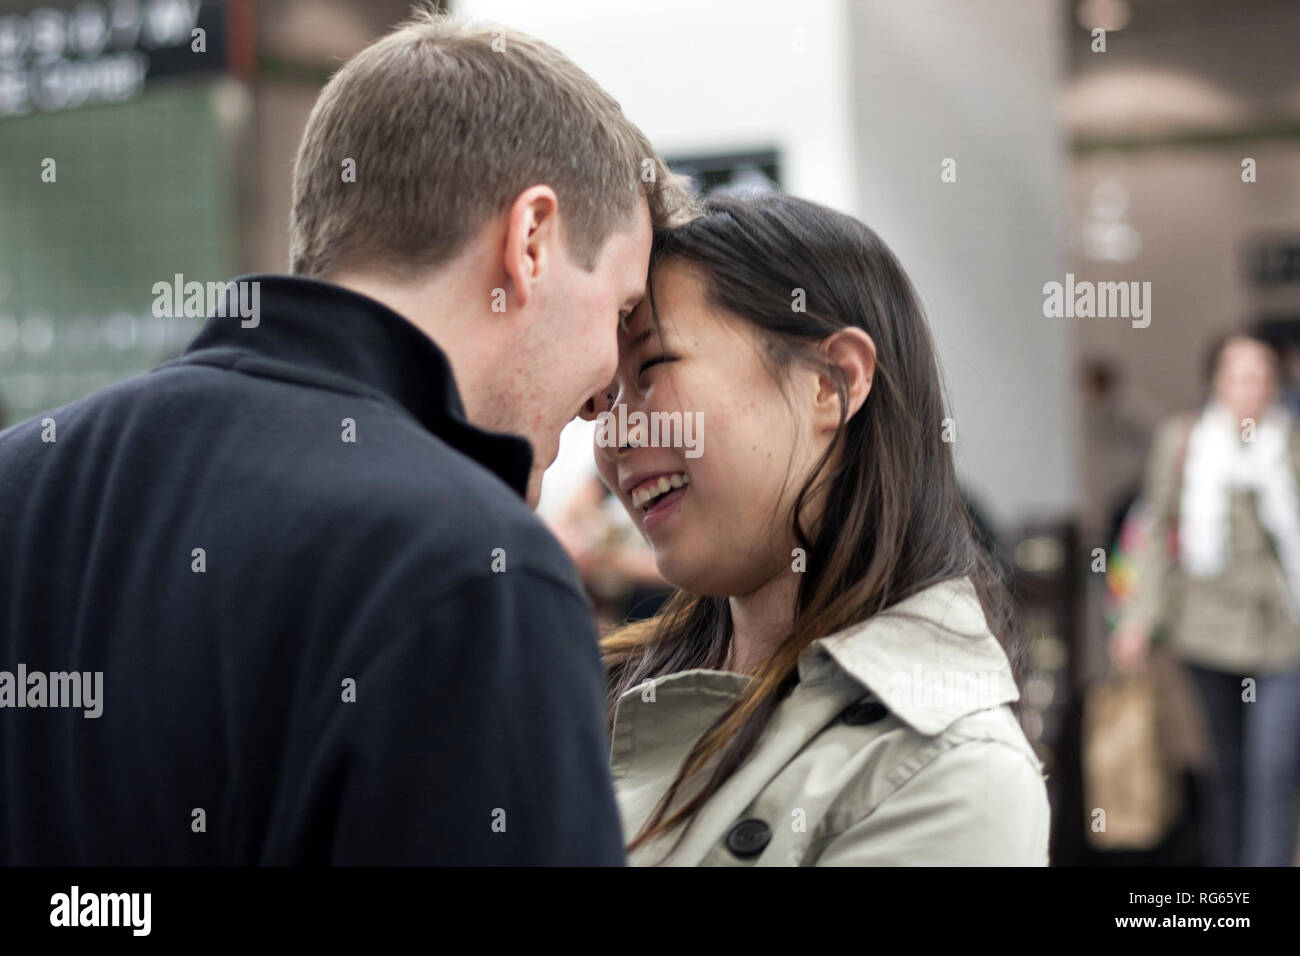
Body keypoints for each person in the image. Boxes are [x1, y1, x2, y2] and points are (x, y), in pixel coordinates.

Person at [0, 12, 690, 865]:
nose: (603, 398)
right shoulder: (474, 570)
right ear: (532, 242)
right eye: (620, 313)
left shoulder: (20, 480)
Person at [584, 194, 1050, 865]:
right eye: (603, 394)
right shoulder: (602, 691)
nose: (615, 436)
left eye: (652, 369)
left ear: (831, 382)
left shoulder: (952, 771)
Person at [1111, 332, 1300, 867]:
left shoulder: (1290, 444)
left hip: (1284, 632)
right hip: (1206, 630)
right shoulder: (1184, 440)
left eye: (1261, 375)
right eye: (1239, 374)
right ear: (1217, 380)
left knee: (1274, 768)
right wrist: (1137, 621)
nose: (1250, 386)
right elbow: (1153, 531)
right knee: (1224, 769)